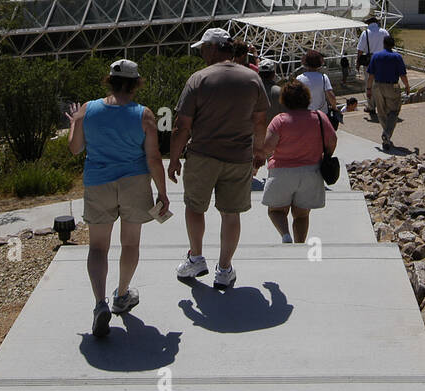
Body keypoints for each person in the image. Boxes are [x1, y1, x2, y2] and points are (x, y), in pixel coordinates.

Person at [66, 59, 170, 338]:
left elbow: (75, 149)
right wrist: (162, 192)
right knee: (130, 243)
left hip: (98, 182)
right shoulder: (144, 114)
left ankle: (100, 303)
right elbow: (153, 157)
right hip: (134, 182)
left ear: (109, 80)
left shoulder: (88, 109)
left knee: (98, 247)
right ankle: (122, 294)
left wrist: (75, 123)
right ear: (137, 83)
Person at [168, 27, 269, 289]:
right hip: (238, 157)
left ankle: (196, 257)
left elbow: (182, 125)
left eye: (203, 48)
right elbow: (260, 121)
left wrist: (175, 157)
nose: (201, 53)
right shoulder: (251, 79)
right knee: (231, 214)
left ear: (213, 48)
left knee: (194, 207)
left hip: (203, 155)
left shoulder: (198, 79)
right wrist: (259, 151)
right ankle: (224, 268)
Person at [260, 81, 335, 245]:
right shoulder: (319, 117)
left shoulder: (279, 120)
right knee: (301, 214)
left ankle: (286, 235)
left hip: (281, 172)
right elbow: (332, 141)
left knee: (275, 210)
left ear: (284, 100)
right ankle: (300, 244)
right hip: (311, 171)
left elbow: (267, 147)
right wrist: (324, 155)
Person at [366, 34, 411, 149]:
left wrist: (369, 89)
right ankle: (387, 134)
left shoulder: (376, 56)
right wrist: (407, 86)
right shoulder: (397, 57)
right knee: (394, 111)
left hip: (377, 86)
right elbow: (402, 74)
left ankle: (387, 136)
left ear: (384, 44)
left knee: (381, 112)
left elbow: (371, 75)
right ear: (393, 45)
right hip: (392, 86)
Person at [296, 49, 340, 128]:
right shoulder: (324, 78)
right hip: (321, 114)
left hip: (305, 115)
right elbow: (331, 96)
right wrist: (334, 107)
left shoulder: (299, 79)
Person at [356, 16, 387, 117]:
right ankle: (383, 106)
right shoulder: (384, 32)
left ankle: (371, 107)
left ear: (368, 23)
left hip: (371, 60)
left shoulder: (365, 33)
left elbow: (360, 50)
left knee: (370, 84)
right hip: (383, 58)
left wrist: (358, 62)